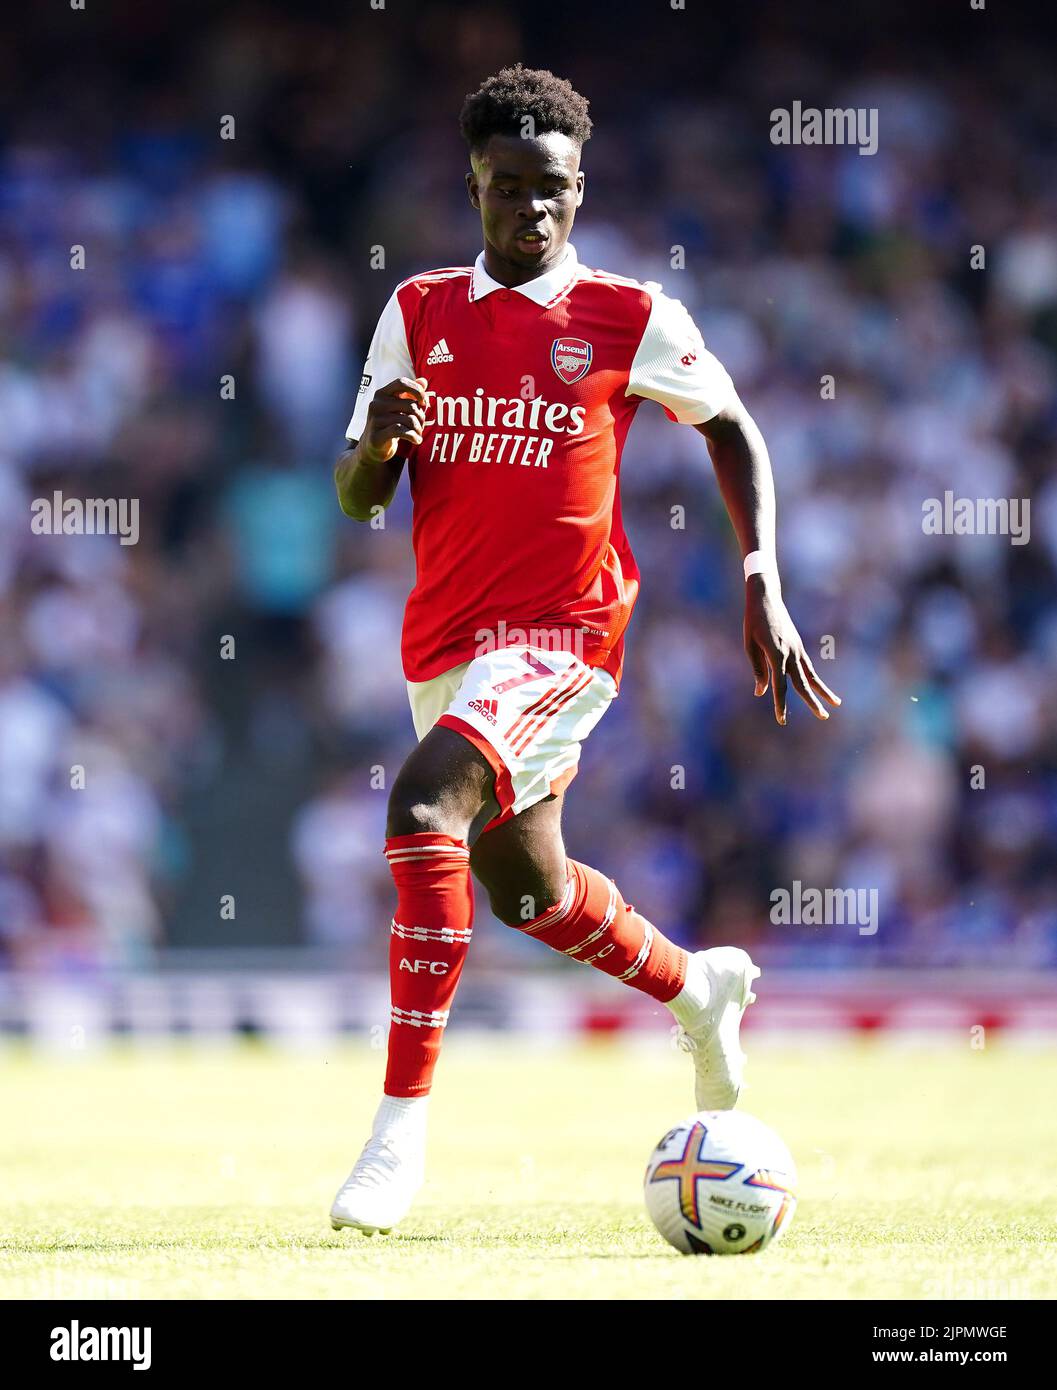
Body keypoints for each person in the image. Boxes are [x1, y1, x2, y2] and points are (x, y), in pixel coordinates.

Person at [330, 64, 840, 1234]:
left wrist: (761, 578)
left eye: (551, 188)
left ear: (579, 185)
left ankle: (395, 1136)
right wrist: (378, 451)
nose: (532, 209)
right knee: (528, 891)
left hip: (566, 637)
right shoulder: (415, 312)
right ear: (474, 187)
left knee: (421, 812)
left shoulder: (627, 316)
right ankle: (698, 986)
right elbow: (358, 497)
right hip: (445, 642)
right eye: (507, 187)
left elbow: (734, 429)